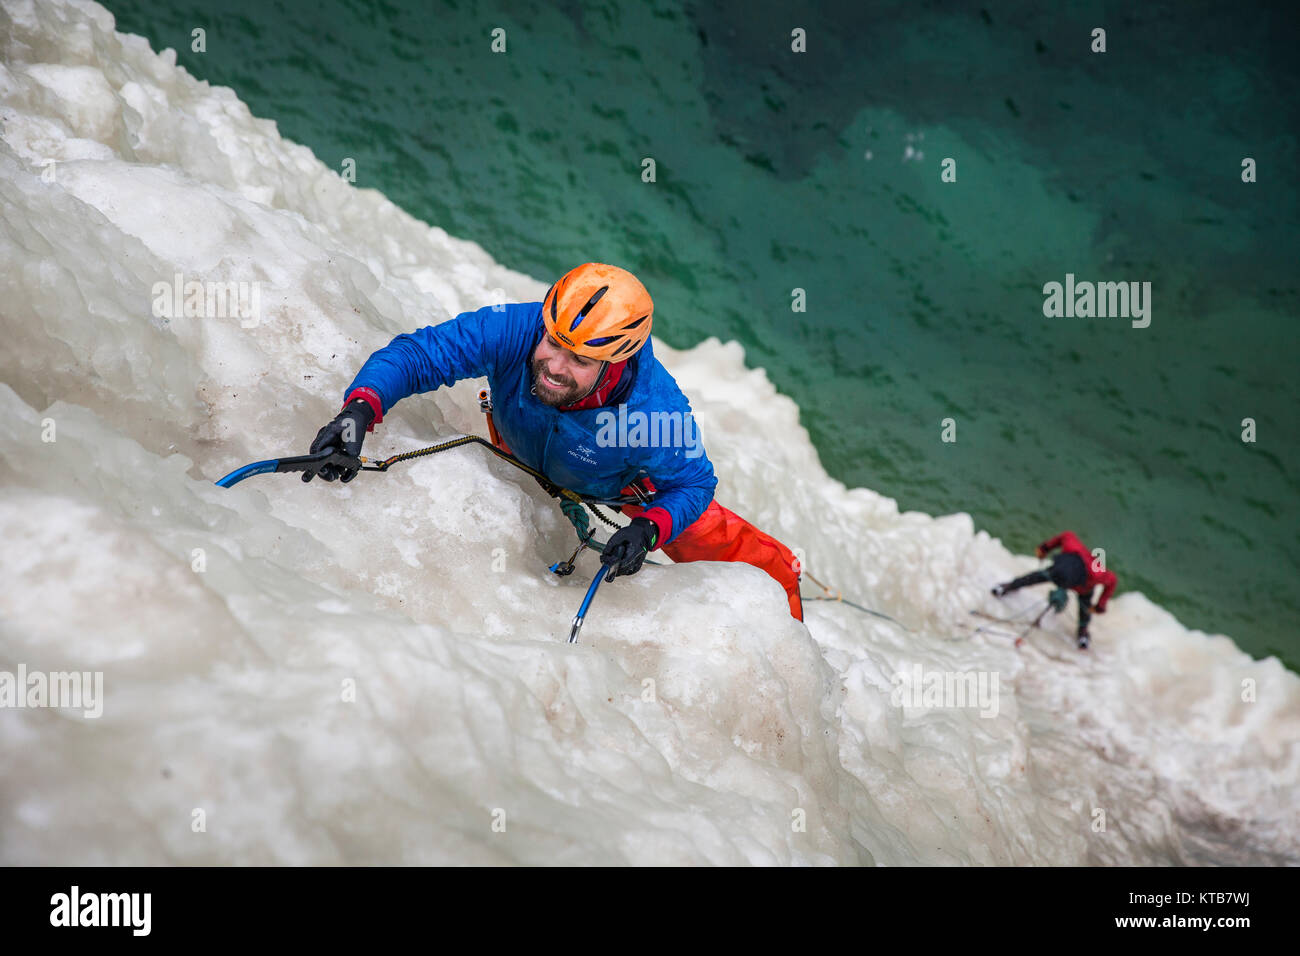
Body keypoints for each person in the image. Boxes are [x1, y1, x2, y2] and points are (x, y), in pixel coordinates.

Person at [304, 262, 804, 620]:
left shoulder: (651, 413)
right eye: (553, 344)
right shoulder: (516, 329)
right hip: (521, 444)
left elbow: (695, 485)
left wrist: (651, 530)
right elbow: (418, 356)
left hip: (625, 488)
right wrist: (359, 411)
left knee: (765, 570)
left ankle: (790, 603)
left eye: (579, 360)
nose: (555, 367)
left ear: (614, 365)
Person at [991, 531, 1117, 649]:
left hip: (1084, 587)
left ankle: (1082, 631)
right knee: (1036, 576)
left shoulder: (1097, 573)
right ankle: (1008, 586)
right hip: (1061, 569)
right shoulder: (1070, 548)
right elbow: (1067, 534)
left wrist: (1100, 606)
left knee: (1085, 610)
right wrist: (1045, 548)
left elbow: (1112, 581)